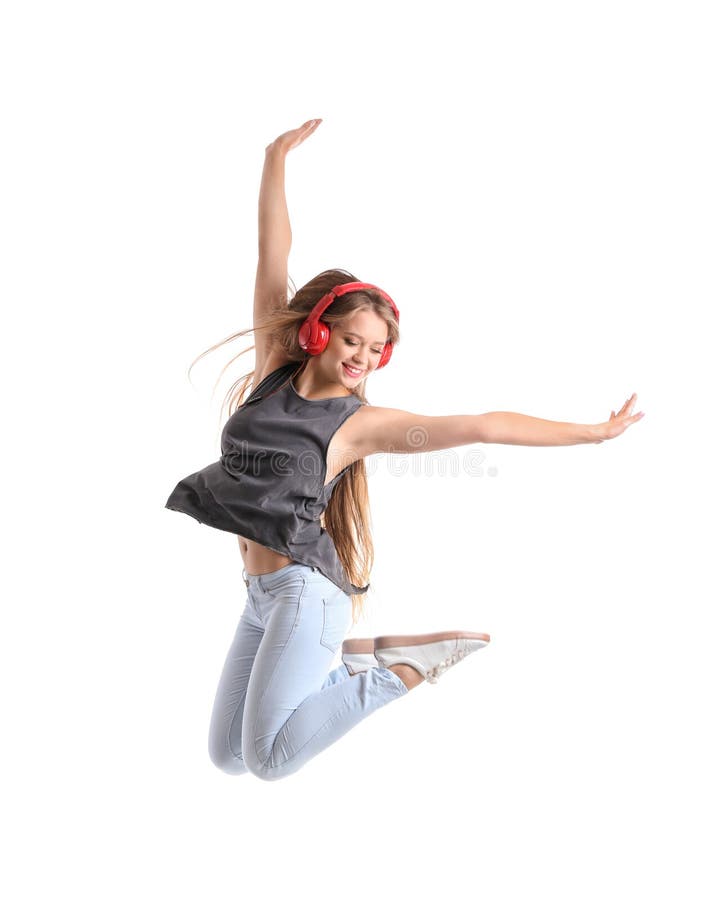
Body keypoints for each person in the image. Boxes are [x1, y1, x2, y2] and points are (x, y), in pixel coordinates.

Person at [165, 118, 645, 782]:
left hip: (307, 594)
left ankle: (400, 668)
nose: (362, 356)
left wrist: (591, 432)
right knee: (228, 758)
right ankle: (357, 661)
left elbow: (482, 424)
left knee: (271, 762)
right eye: (351, 340)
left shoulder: (357, 425)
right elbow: (271, 253)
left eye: (374, 347)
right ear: (316, 333)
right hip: (260, 592)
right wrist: (274, 159)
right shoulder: (272, 367)